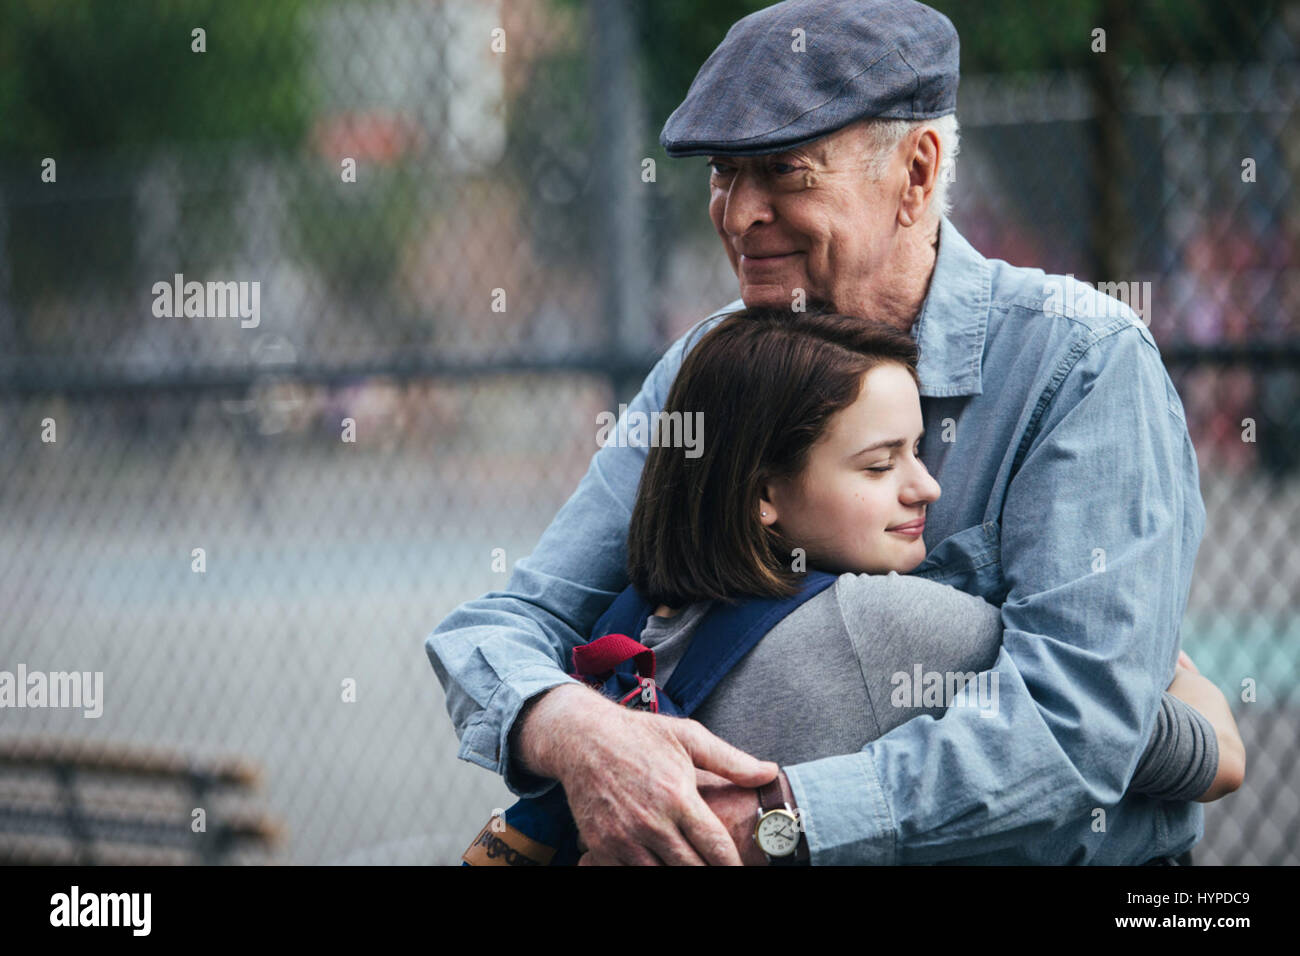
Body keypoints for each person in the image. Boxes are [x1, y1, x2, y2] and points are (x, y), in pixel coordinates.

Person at [426, 0, 1216, 865]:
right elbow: (506, 624)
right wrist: (580, 732)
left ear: (916, 173)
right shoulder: (713, 364)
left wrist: (781, 818)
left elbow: (1077, 725)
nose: (738, 213)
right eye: (725, 173)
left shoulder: (1080, 362)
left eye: (785, 172)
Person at [463, 308, 1243, 866]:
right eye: (881, 465)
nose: (928, 488)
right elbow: (1188, 754)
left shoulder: (637, 627)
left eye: (918, 451)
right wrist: (1181, 679)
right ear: (763, 493)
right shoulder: (882, 626)